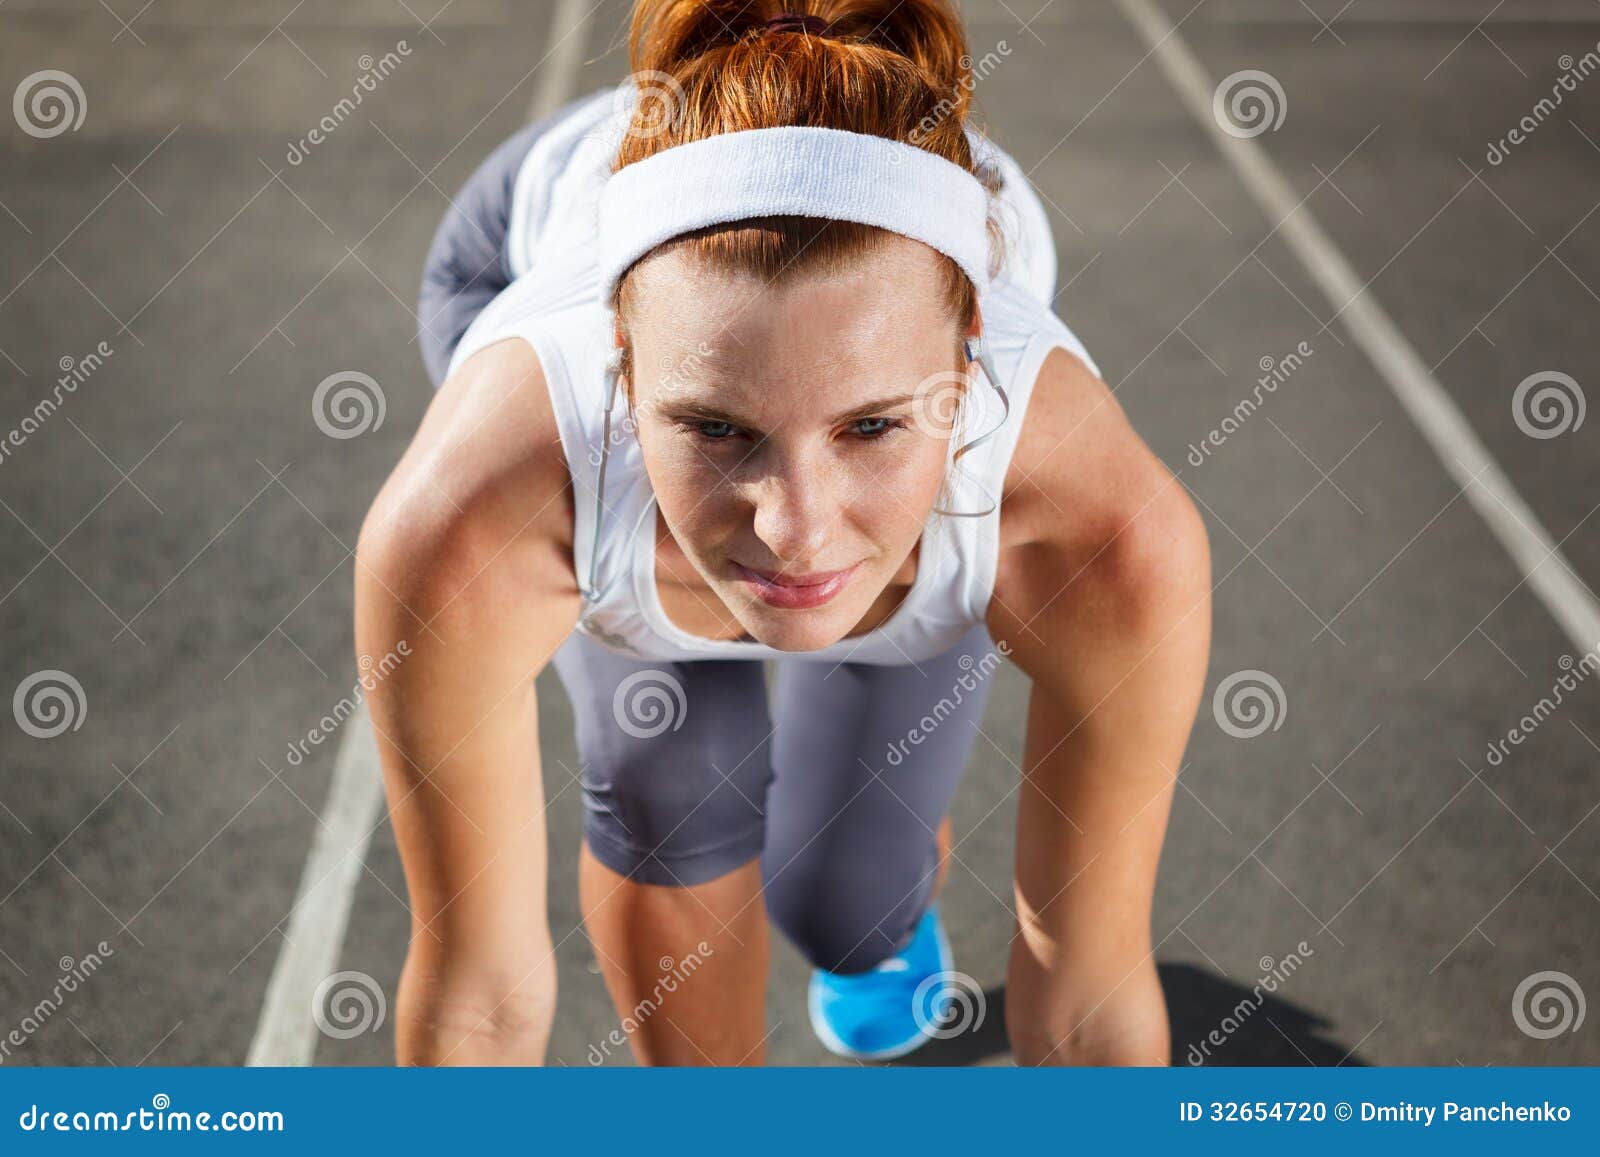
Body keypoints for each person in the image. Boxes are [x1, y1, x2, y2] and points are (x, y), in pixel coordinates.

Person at [356, 0, 1211, 1067]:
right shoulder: (475, 511)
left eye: (872, 427)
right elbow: (476, 998)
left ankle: (877, 910)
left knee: (847, 903)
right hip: (520, 249)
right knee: (671, 778)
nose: (794, 530)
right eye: (715, 426)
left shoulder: (1100, 532)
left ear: (966, 362)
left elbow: (1088, 993)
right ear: (620, 358)